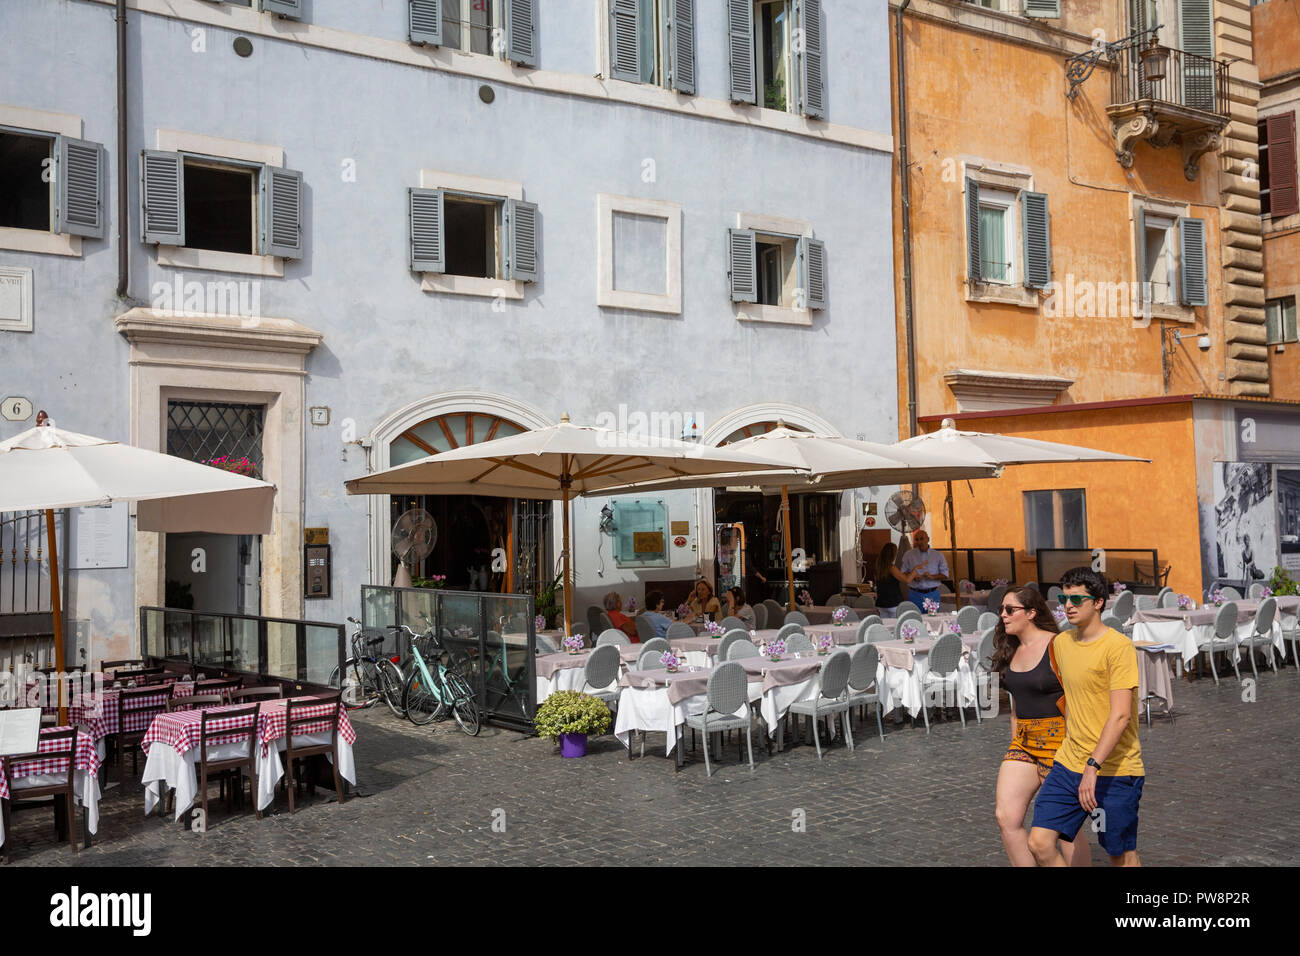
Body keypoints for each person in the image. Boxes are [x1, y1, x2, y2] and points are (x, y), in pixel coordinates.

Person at [1028, 567, 1144, 867]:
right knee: (1039, 842)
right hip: (1068, 764)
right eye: (1064, 598)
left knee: (1120, 854)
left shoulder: (1118, 647)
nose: (1068, 605)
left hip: (1114, 769)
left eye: (1077, 599)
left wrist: (1093, 766)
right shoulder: (1061, 644)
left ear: (1098, 603)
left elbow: (1120, 716)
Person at [991, 586, 1090, 867]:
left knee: (1065, 829)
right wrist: (1014, 742)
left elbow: (1076, 699)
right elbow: (1015, 704)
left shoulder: (1058, 646)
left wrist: (1075, 752)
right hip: (1023, 742)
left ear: (1031, 613)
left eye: (1010, 610)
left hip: (1060, 743)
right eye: (1002, 610)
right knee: (1006, 816)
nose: (1003, 615)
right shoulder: (1011, 649)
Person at [899, 529, 948, 609]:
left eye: (922, 539)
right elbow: (903, 573)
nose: (919, 542)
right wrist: (913, 576)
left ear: (928, 539)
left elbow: (945, 575)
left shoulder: (938, 555)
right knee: (915, 619)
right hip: (915, 593)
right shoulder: (908, 555)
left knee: (933, 619)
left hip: (932, 593)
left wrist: (932, 577)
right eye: (917, 539)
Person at [874, 541, 914, 618]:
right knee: (895, 626)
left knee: (885, 626)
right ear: (893, 554)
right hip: (893, 602)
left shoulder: (879, 567)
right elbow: (907, 580)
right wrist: (915, 569)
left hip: (881, 603)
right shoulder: (891, 567)